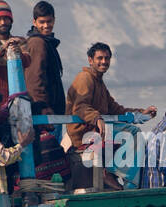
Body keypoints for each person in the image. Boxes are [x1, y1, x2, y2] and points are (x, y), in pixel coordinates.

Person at [64, 42, 156, 189]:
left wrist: (140, 112)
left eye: (107, 58)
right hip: (83, 132)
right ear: (90, 60)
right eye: (100, 58)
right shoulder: (85, 78)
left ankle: (116, 175)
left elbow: (114, 109)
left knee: (133, 133)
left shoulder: (98, 82)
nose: (104, 62)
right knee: (132, 132)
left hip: (96, 129)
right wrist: (97, 118)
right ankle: (126, 180)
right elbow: (80, 106)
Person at [23, 0, 66, 118]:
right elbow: (35, 79)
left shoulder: (47, 42)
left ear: (54, 20)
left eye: (49, 21)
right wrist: (43, 108)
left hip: (50, 111)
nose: (46, 26)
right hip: (45, 114)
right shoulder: (38, 43)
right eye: (42, 22)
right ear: (34, 22)